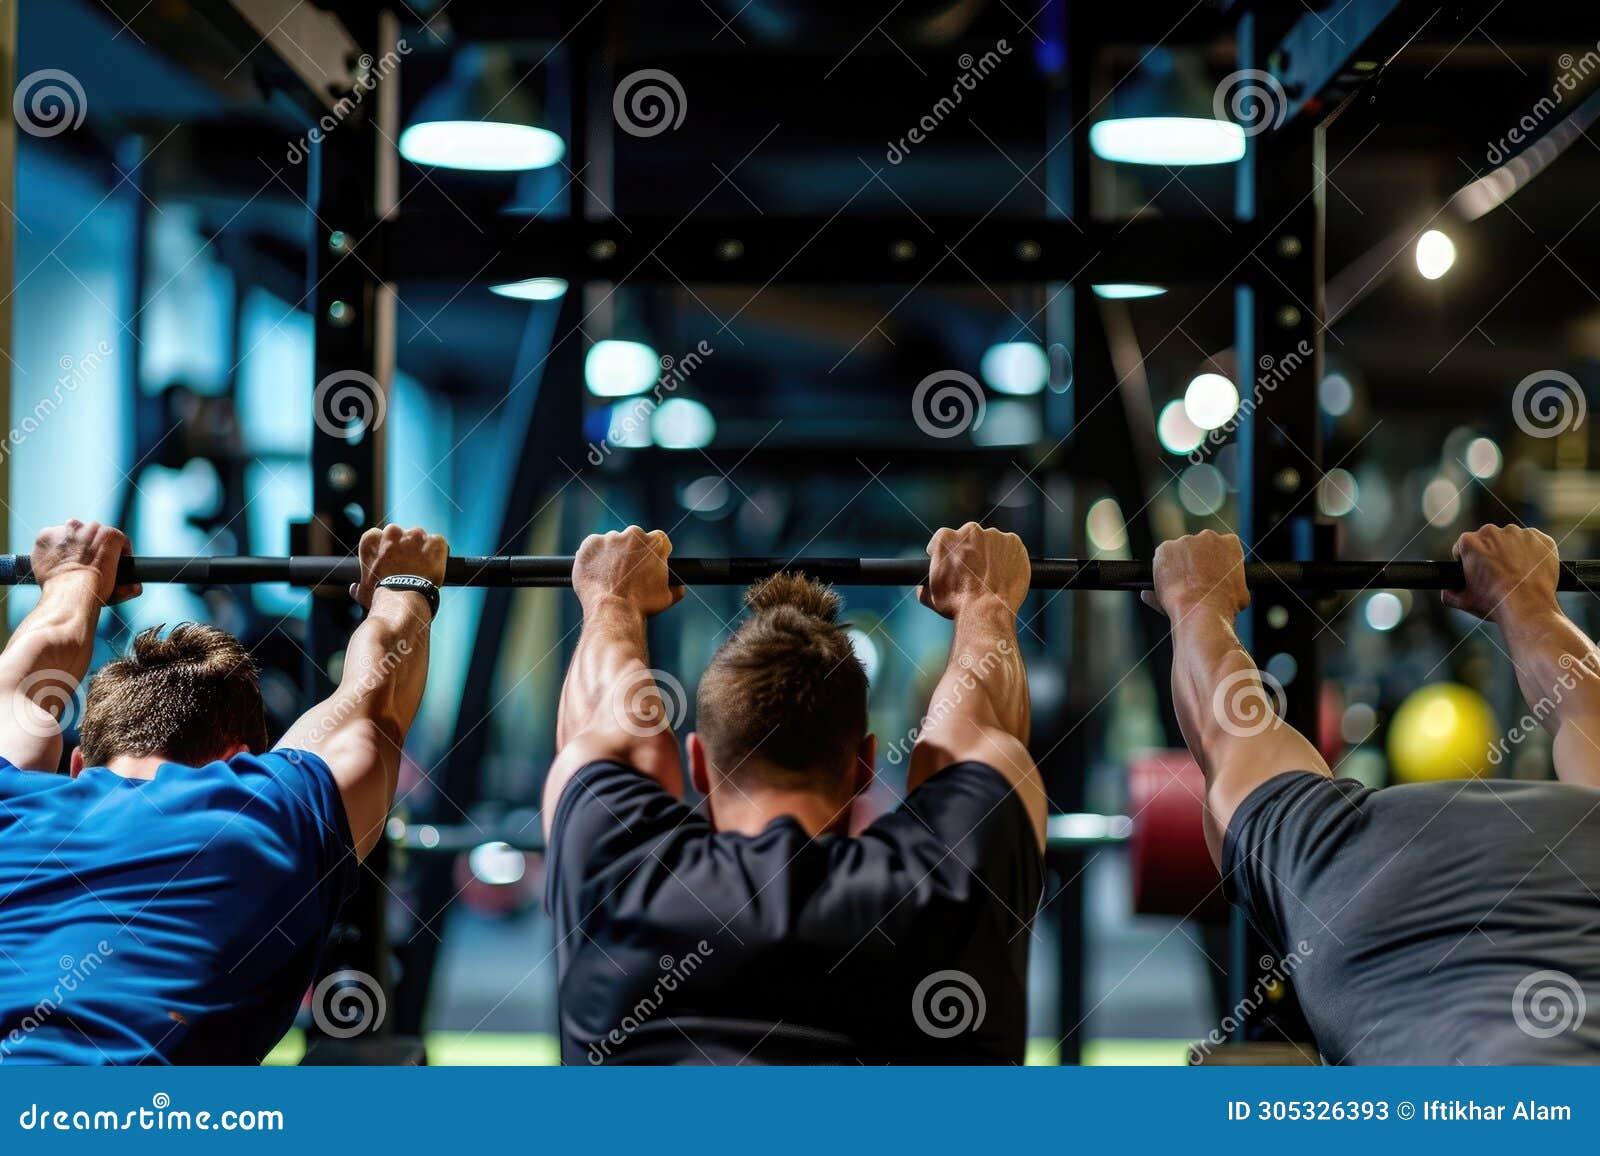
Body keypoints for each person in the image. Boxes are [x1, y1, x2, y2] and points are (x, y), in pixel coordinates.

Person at [543, 523, 1045, 1064]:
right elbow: (979, 730)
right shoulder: (950, 884)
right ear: (865, 766)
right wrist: (984, 601)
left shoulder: (621, 872)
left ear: (698, 765)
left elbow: (609, 730)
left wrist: (613, 598)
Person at [1146, 525, 1600, 1064]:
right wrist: (1196, 601)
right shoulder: (1325, 860)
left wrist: (1526, 598)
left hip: (1378, 881)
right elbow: (1227, 734)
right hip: (1365, 888)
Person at [0, 519, 446, 1064]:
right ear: (238, 763)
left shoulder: (10, 807)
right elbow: (376, 699)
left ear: (77, 767)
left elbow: (18, 690)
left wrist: (73, 578)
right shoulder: (268, 812)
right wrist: (407, 585)